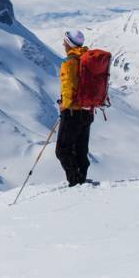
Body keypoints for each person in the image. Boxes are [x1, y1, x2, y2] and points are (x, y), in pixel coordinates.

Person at [56, 29, 93, 186]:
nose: (63, 44)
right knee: (80, 149)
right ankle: (81, 179)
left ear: (69, 43)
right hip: (87, 111)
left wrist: (63, 105)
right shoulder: (86, 58)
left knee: (62, 150)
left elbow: (68, 85)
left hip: (72, 112)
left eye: (65, 41)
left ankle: (75, 181)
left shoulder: (70, 61)